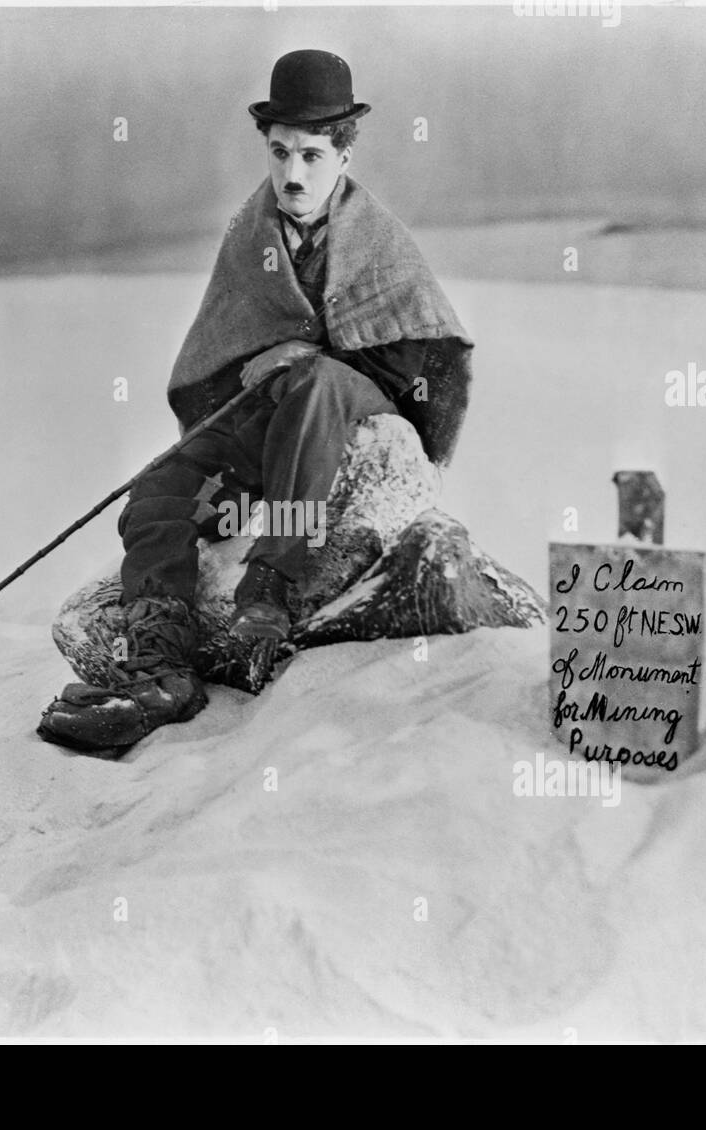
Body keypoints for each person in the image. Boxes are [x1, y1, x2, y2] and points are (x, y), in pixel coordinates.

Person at [39, 49, 474, 752]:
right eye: (279, 153)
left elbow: (413, 357)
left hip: (357, 405)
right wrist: (259, 369)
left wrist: (311, 353)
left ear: (343, 152)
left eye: (310, 154)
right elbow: (221, 352)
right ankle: (160, 667)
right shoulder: (252, 232)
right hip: (273, 409)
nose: (292, 174)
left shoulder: (378, 239)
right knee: (160, 481)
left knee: (314, 383)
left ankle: (267, 596)